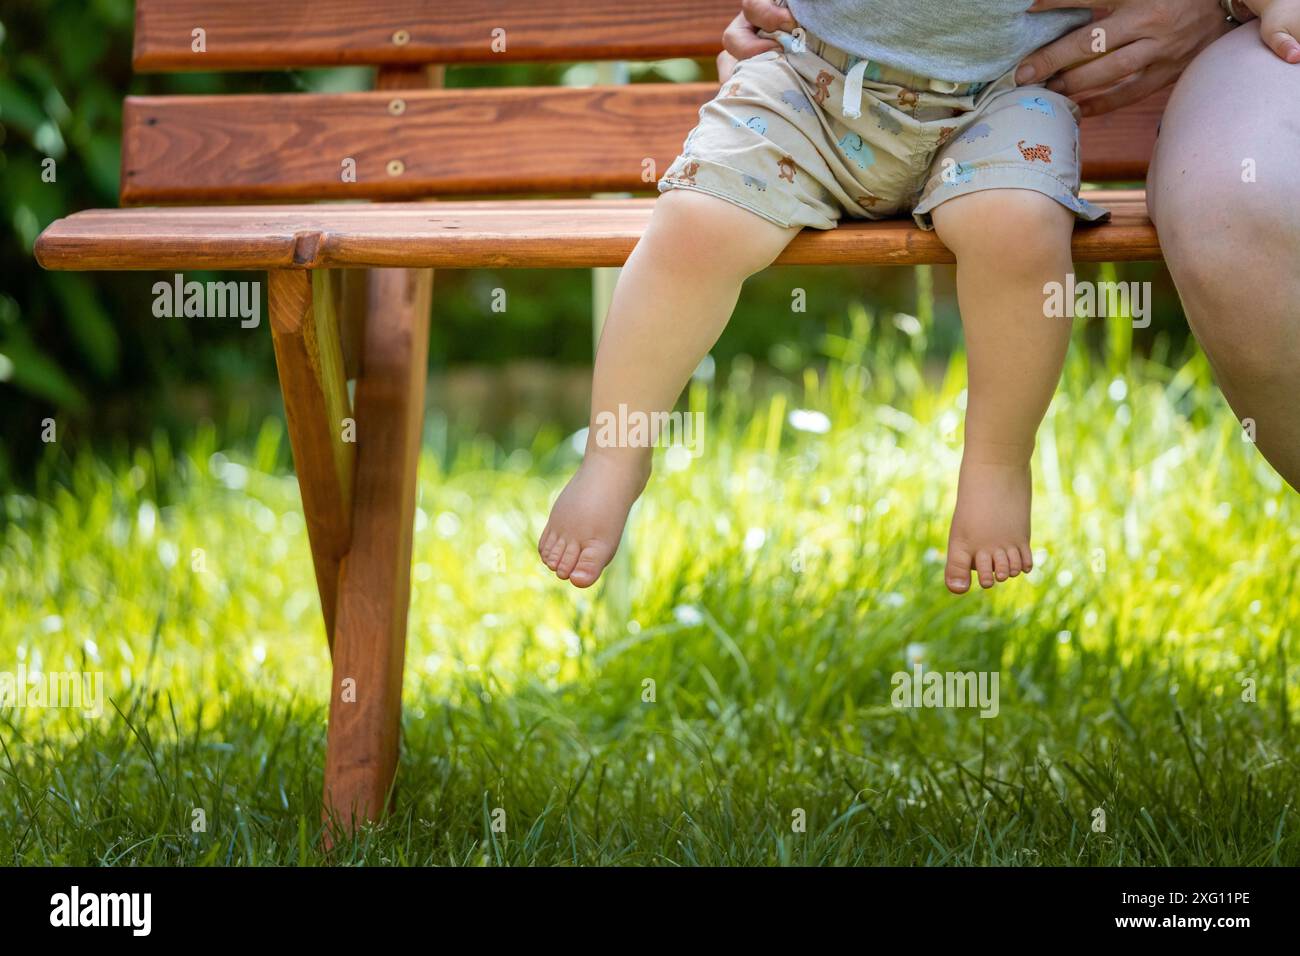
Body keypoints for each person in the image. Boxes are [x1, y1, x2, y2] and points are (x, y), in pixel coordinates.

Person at [538, 0, 1300, 594]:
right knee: (695, 226)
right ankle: (615, 452)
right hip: (812, 82)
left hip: (1003, 100)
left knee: (1017, 229)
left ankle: (998, 463)